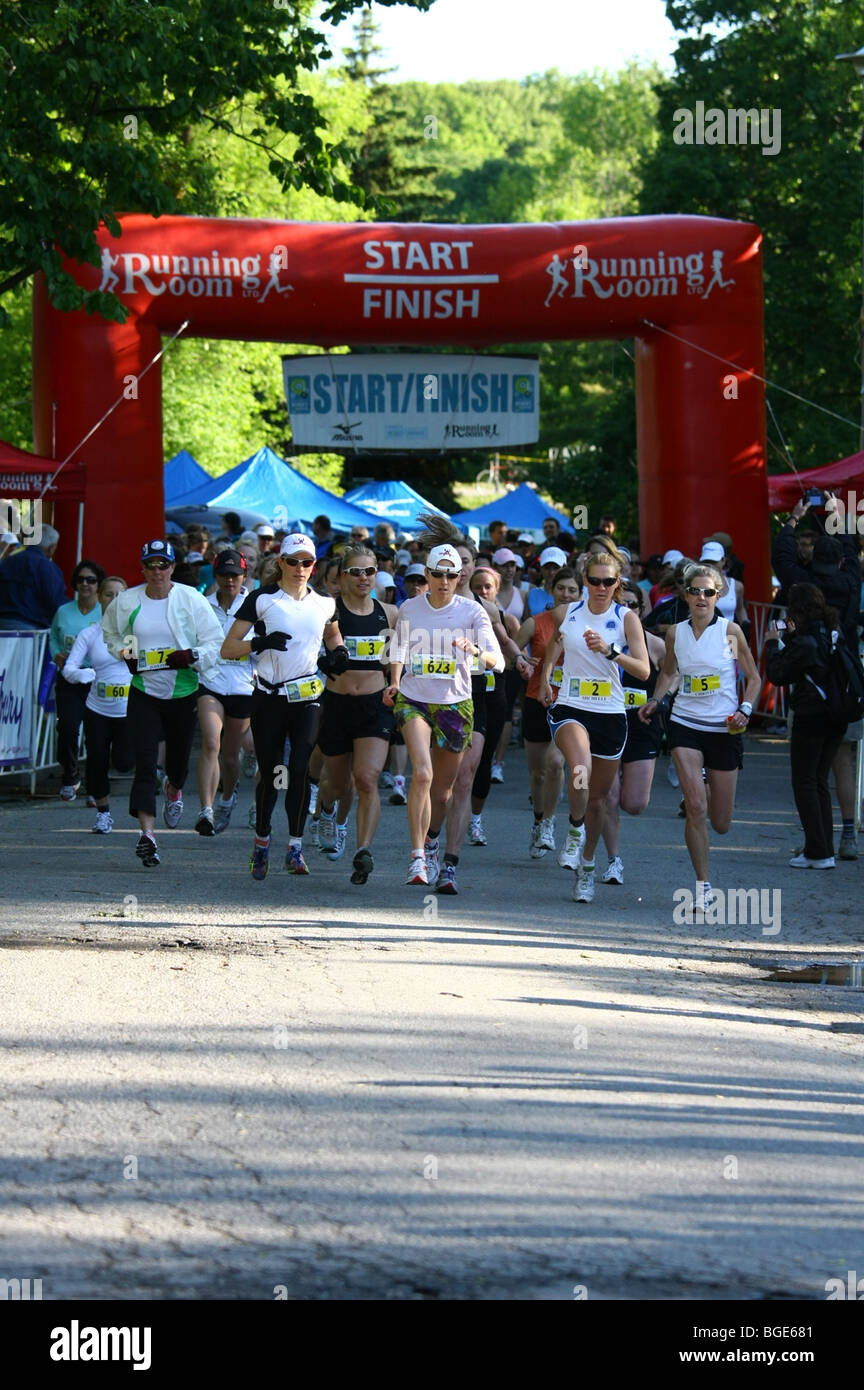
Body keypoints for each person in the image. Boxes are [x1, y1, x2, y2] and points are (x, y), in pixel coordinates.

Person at [221, 532, 348, 881]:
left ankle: (295, 847)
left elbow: (331, 633)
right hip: (269, 697)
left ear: (314, 565)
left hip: (307, 697)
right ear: (280, 562)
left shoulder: (324, 602)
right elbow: (228, 648)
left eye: (306, 562)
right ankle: (262, 840)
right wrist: (259, 643)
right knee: (272, 772)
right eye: (292, 561)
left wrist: (339, 653)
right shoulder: (262, 599)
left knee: (300, 769)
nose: (299, 568)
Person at [638, 559, 761, 912]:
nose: (702, 597)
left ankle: (705, 785)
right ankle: (703, 887)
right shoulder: (675, 633)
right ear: (686, 595)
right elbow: (669, 673)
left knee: (720, 823)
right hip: (685, 723)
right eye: (695, 591)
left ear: (718, 596)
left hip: (724, 728)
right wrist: (656, 700)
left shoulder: (730, 632)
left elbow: (753, 678)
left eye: (708, 592)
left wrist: (745, 710)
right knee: (695, 808)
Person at [385, 528, 504, 888]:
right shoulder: (410, 607)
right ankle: (417, 857)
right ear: (427, 573)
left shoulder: (472, 611)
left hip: (455, 704)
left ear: (460, 576)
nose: (444, 581)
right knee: (422, 774)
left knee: (443, 792)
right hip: (414, 699)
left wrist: (475, 651)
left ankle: (433, 840)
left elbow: (498, 662)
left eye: (451, 575)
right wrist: (394, 680)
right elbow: (398, 649)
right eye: (437, 574)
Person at [101, 539, 224, 866]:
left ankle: (175, 788)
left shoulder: (191, 599)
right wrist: (126, 652)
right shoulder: (128, 601)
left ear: (173, 567)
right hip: (144, 691)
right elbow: (111, 633)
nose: (157, 572)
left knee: (178, 765)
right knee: (145, 763)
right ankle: (148, 836)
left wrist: (192, 655)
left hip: (183, 692)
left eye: (163, 565)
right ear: (142, 568)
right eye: (151, 565)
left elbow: (215, 642)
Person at [539, 551, 650, 903]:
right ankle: (575, 829)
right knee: (579, 767)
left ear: (617, 583)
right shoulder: (568, 612)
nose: (601, 588)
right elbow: (554, 644)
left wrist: (610, 650)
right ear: (584, 581)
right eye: (595, 581)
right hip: (571, 706)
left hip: (610, 713)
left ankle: (587, 866)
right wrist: (544, 678)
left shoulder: (626, 618)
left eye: (608, 581)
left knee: (599, 802)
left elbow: (644, 670)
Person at [436, 543, 525, 887]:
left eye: (465, 562)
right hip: (437, 696)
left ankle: (450, 862)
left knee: (467, 775)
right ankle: (429, 840)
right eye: (453, 562)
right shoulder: (427, 605)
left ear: (473, 565)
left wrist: (519, 659)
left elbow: (502, 642)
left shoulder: (485, 608)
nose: (459, 568)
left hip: (477, 692)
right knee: (437, 781)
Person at [315, 543, 398, 884]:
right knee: (337, 785)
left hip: (375, 706)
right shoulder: (327, 611)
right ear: (342, 576)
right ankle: (327, 811)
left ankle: (363, 850)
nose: (363, 578)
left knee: (366, 778)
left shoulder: (390, 614)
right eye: (356, 572)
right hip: (336, 705)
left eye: (369, 571)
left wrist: (397, 684)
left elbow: (397, 657)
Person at [764, 584, 847, 868]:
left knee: (805, 782)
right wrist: (792, 636)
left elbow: (778, 674)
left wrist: (772, 643)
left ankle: (818, 852)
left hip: (811, 716)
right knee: (819, 781)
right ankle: (823, 848)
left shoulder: (806, 642)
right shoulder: (832, 631)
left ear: (796, 609)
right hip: (837, 714)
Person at [599, 580, 668, 884]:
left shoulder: (654, 644)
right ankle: (613, 860)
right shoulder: (600, 639)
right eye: (621, 604)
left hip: (642, 726)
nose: (627, 609)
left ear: (641, 609)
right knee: (609, 797)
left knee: (635, 804)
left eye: (633, 604)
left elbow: (672, 673)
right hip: (606, 723)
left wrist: (658, 699)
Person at [514, 567, 579, 858]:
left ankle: (549, 824)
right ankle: (538, 821)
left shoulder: (585, 624)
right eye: (561, 588)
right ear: (552, 591)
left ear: (580, 593)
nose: (566, 594)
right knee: (538, 773)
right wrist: (521, 661)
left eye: (572, 590)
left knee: (555, 763)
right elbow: (510, 653)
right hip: (536, 701)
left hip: (570, 704)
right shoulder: (535, 622)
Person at [62, 577, 134, 833]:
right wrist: (83, 674)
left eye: (119, 595)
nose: (114, 600)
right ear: (99, 598)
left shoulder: (133, 634)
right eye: (108, 595)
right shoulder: (90, 634)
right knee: (96, 762)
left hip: (127, 710)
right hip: (97, 710)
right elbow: (69, 668)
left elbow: (141, 666)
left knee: (124, 762)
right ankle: (103, 814)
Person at [194, 549, 254, 836]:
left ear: (244, 576)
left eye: (235, 575)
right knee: (210, 742)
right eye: (223, 575)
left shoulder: (255, 606)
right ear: (215, 575)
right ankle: (205, 810)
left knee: (230, 757)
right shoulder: (202, 605)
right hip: (211, 683)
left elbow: (262, 647)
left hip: (243, 687)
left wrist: (249, 649)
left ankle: (227, 800)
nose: (229, 580)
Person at [49, 559, 105, 799]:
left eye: (91, 580)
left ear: (99, 584)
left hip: (97, 678)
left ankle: (96, 785)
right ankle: (70, 776)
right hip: (69, 678)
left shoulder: (104, 612)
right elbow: (53, 637)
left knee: (96, 733)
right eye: (81, 579)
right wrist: (56, 654)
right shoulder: (63, 611)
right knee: (68, 727)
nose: (85, 584)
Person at [0, 523, 66, 631]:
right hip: (29, 627)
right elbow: (55, 601)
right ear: (51, 548)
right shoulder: (47, 567)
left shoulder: (7, 562)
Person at [492, 548, 524, 621]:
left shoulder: (523, 595)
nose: (509, 569)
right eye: (504, 566)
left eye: (512, 565)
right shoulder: (486, 593)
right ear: (495, 567)